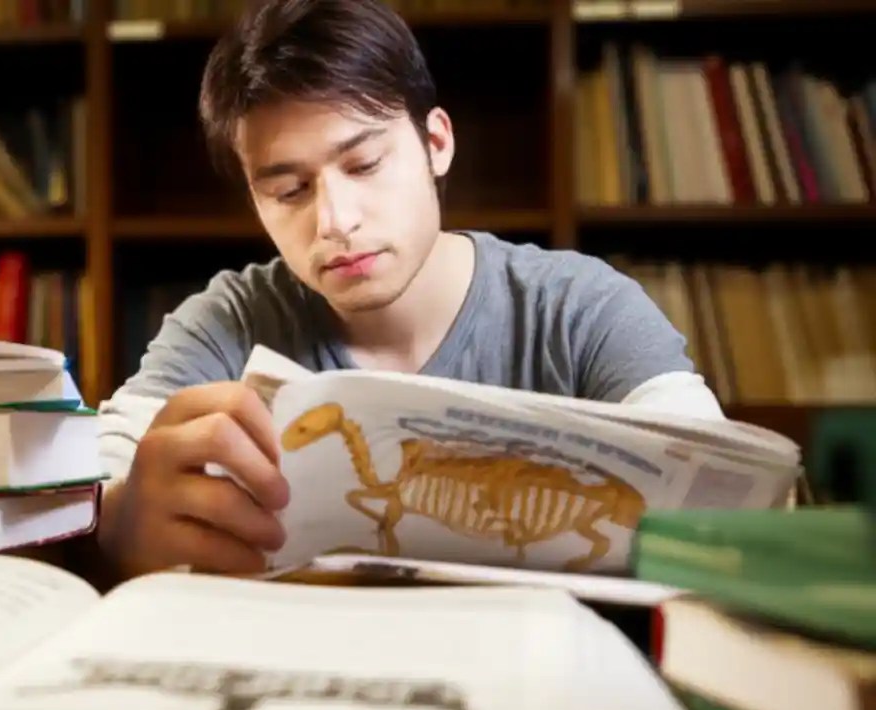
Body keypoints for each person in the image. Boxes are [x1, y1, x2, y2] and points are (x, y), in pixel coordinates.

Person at [92, 0, 722, 581]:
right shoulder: (224, 321)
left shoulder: (581, 310)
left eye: (364, 165)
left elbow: (719, 484)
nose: (336, 221)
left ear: (436, 143)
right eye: (289, 191)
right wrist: (120, 518)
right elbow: (92, 481)